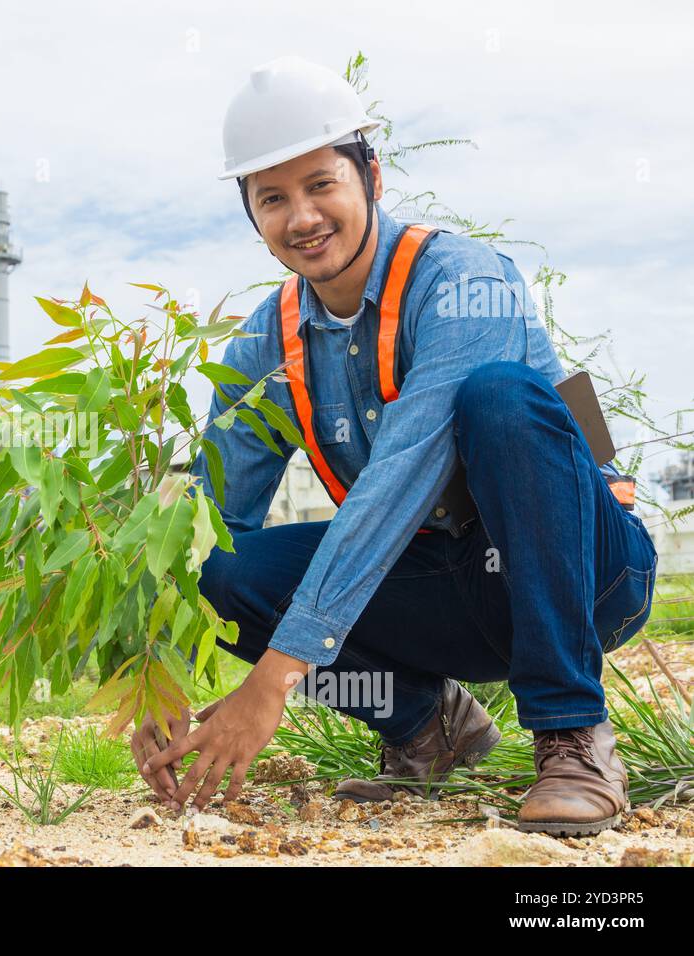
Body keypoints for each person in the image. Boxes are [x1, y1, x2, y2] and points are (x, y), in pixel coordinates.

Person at [133, 55, 658, 836]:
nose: (302, 216)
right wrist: (160, 675)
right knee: (223, 568)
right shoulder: (262, 346)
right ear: (251, 218)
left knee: (499, 397)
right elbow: (213, 520)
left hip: (586, 572)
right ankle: (425, 727)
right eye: (271, 198)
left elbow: (404, 470)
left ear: (370, 177)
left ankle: (573, 736)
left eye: (321, 184)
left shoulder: (467, 281)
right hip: (440, 583)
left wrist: (274, 681)